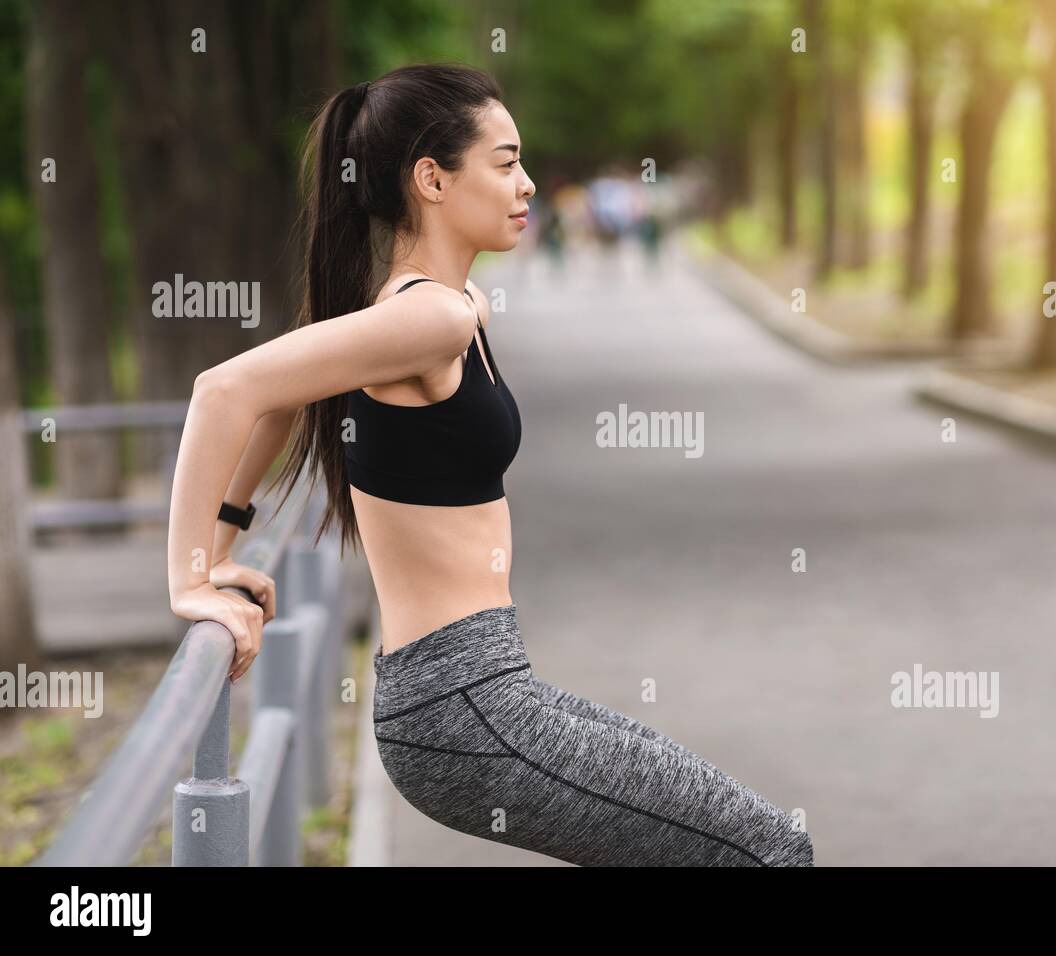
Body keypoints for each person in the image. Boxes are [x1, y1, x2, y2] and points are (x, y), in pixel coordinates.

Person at [166, 63, 813, 867]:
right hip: (464, 711)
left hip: (479, 695)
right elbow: (225, 390)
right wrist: (194, 575)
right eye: (505, 163)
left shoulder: (442, 306)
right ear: (431, 179)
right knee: (768, 851)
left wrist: (227, 535)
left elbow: (281, 399)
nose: (529, 184)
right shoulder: (428, 318)